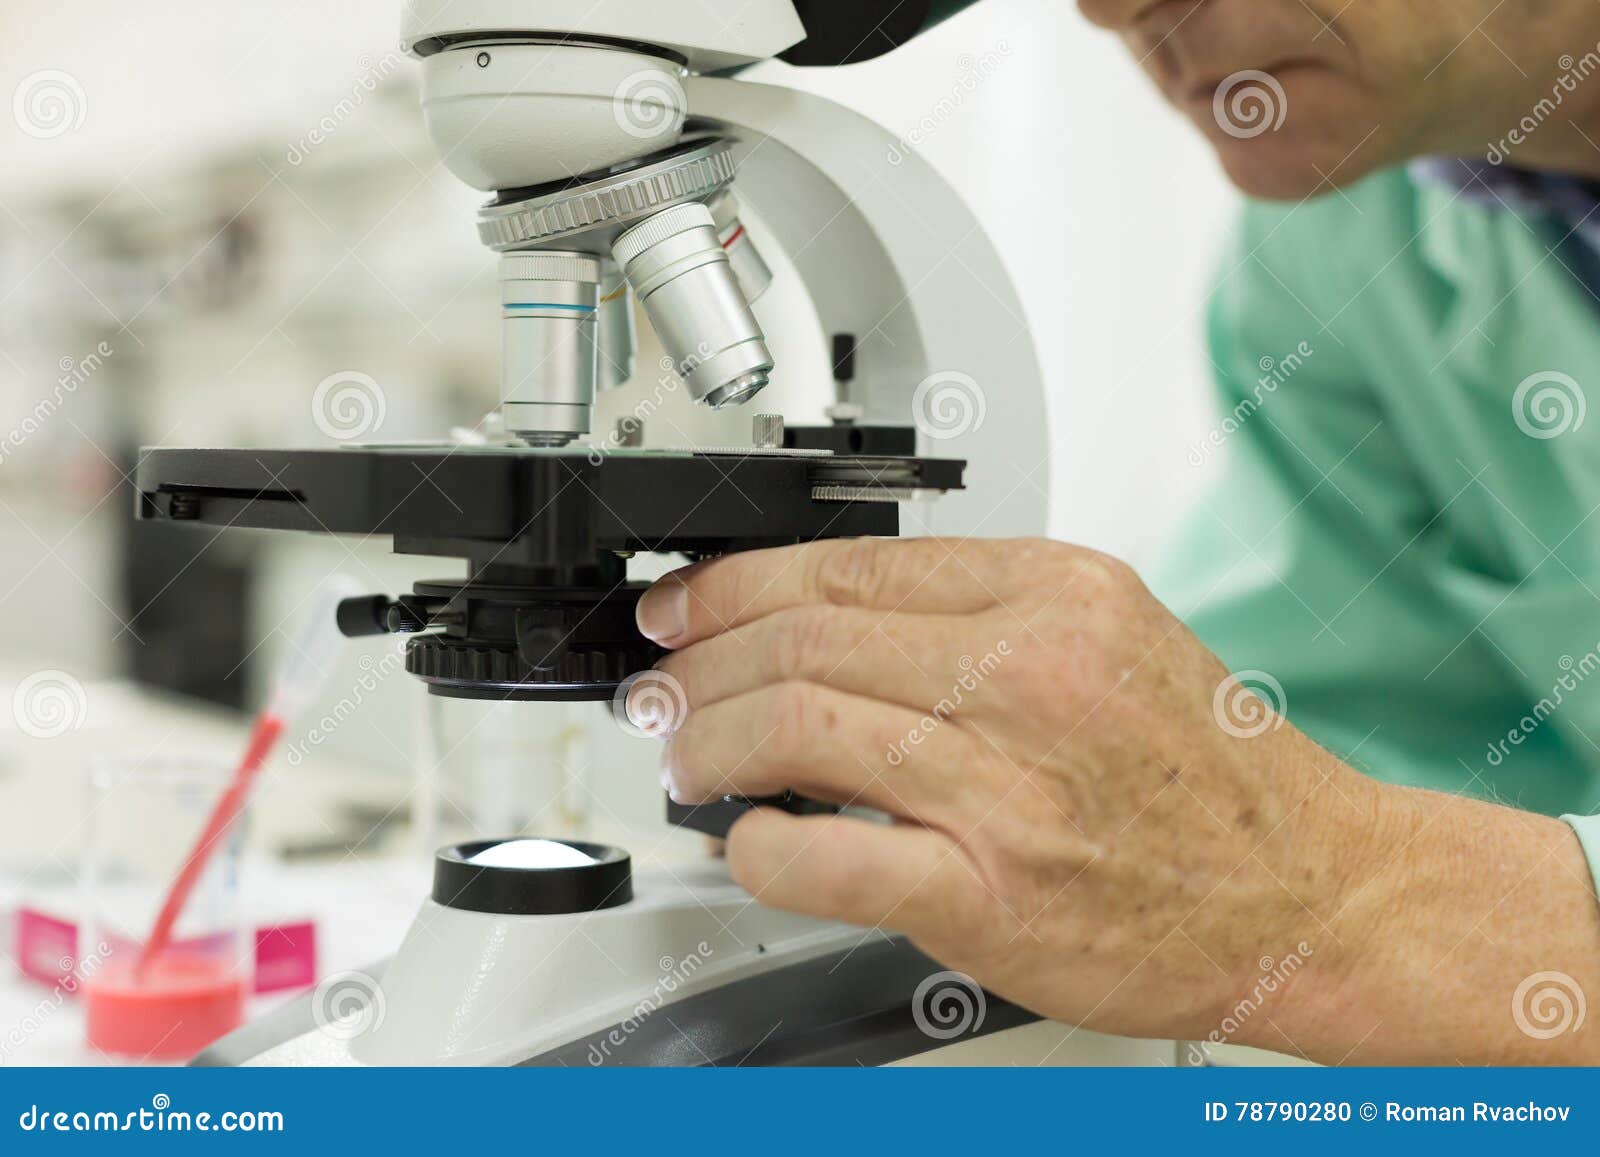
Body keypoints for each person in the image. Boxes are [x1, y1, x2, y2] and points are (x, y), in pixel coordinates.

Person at [627, 0, 1600, 1064]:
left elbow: (1303, 865)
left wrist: (1341, 894)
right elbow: (1340, 718)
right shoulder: (1352, 234)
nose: (1110, 10)